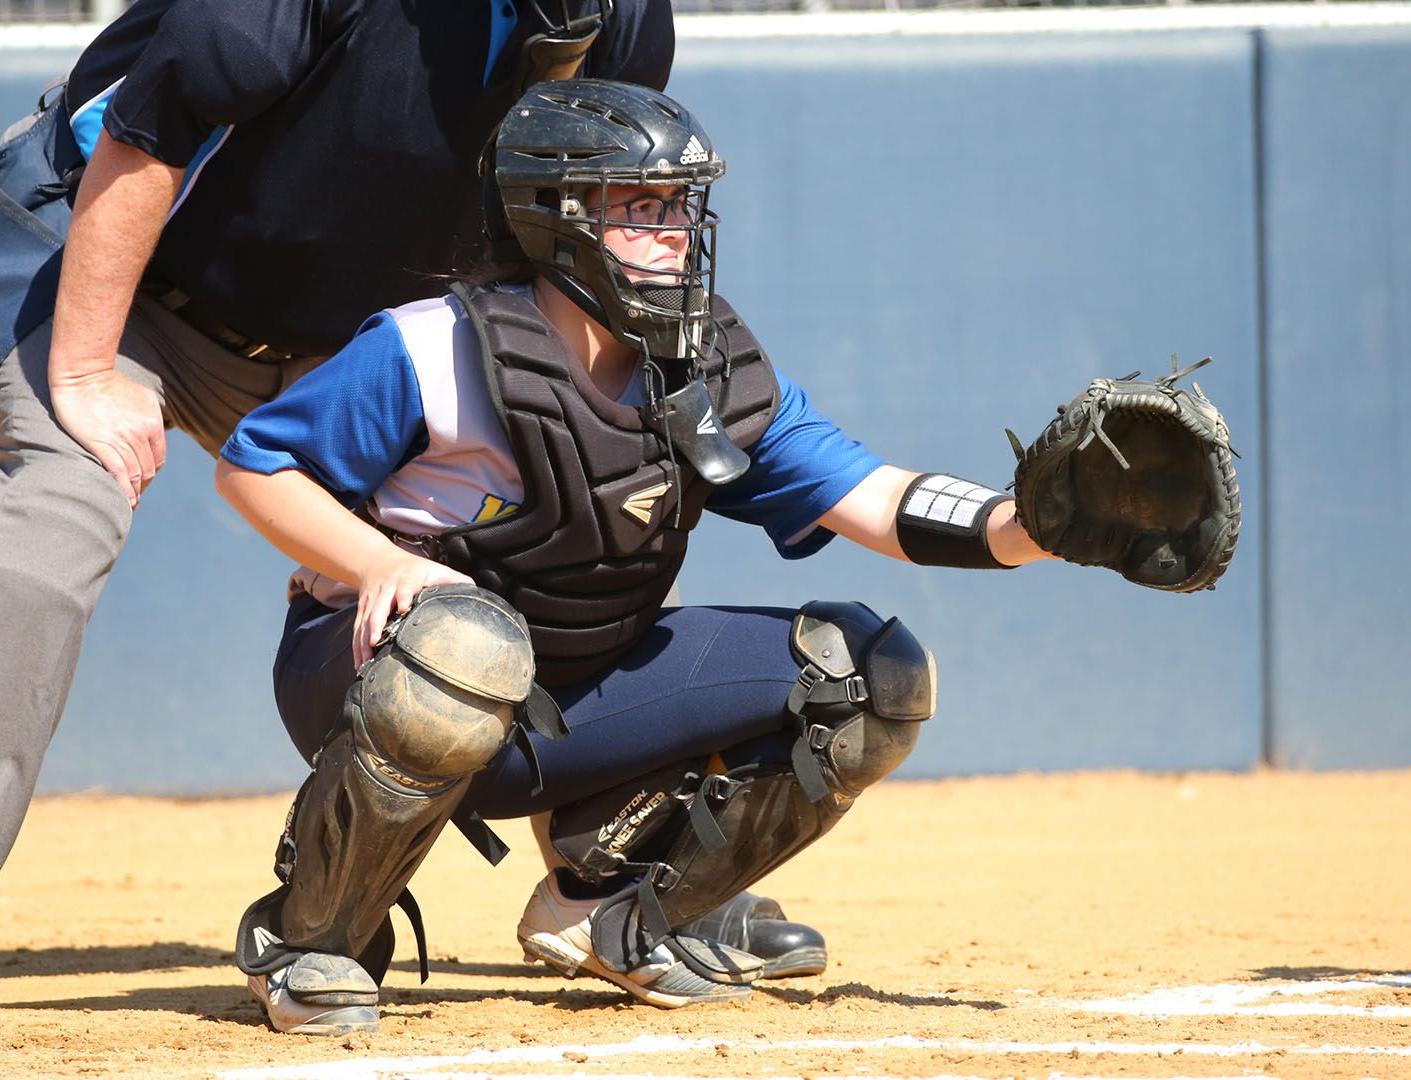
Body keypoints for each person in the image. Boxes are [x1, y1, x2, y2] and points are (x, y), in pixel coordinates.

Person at [0, 0, 820, 1023]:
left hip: (348, 343)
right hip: (130, 292)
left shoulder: (621, 14)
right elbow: (146, 133)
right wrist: (85, 370)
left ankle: (617, 869)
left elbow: (579, 206)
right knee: (56, 518)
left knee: (569, 505)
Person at [211, 77, 1064, 1036]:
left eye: (681, 206)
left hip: (574, 693)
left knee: (872, 676)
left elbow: (877, 500)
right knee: (466, 646)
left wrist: (1036, 523)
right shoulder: (434, 349)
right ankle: (311, 935)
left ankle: (618, 904)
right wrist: (377, 562)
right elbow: (256, 464)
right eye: (639, 208)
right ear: (556, 219)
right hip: (379, 680)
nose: (675, 233)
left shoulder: (707, 368)